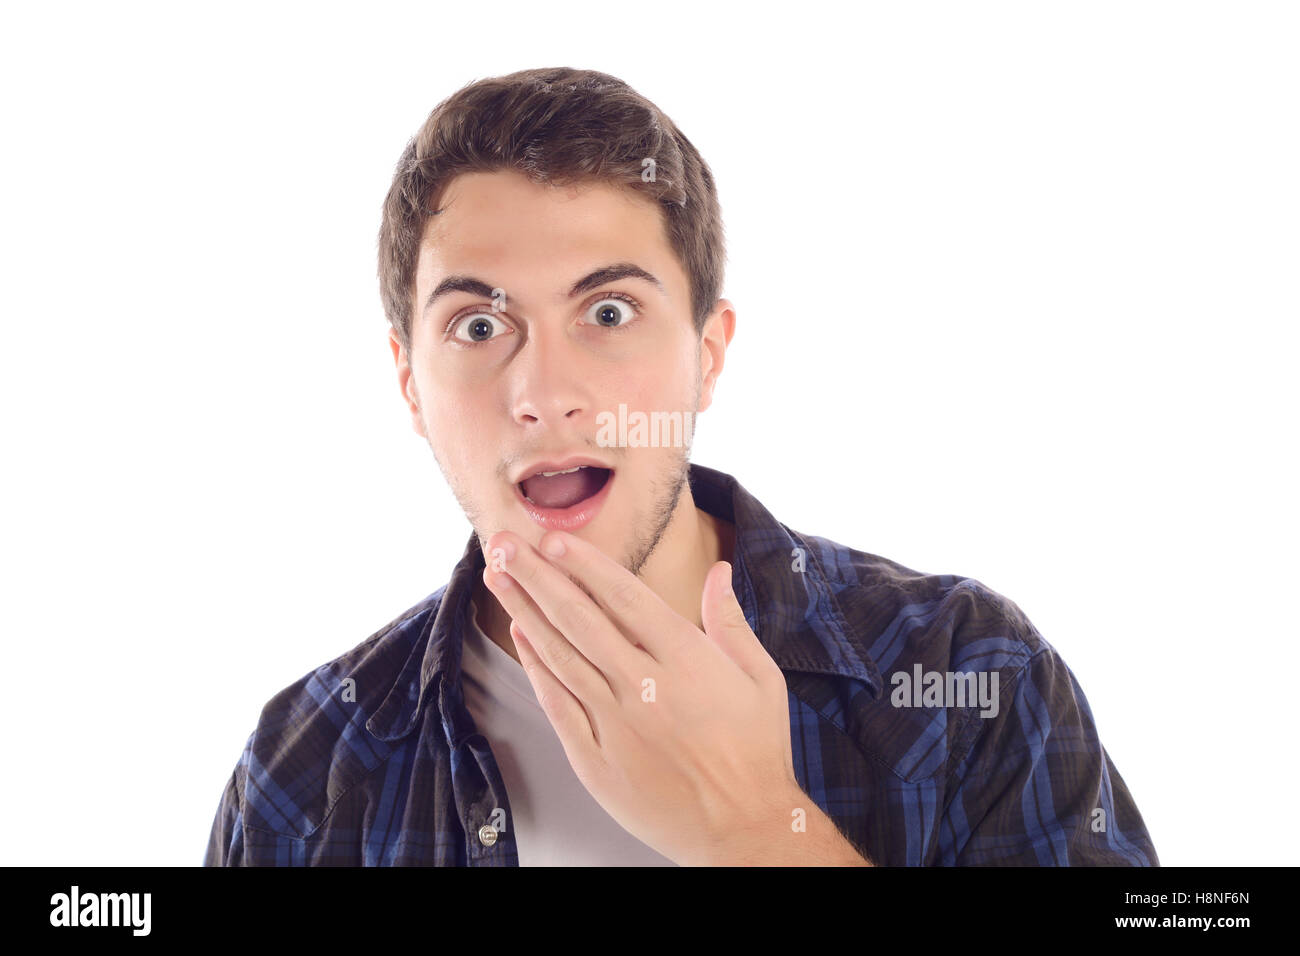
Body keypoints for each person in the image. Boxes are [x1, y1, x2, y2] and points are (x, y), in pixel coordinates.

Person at [204, 66, 1157, 867]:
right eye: (480, 326)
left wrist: (754, 829)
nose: (545, 391)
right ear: (410, 383)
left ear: (708, 353)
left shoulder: (969, 678)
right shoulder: (302, 778)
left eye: (608, 312)